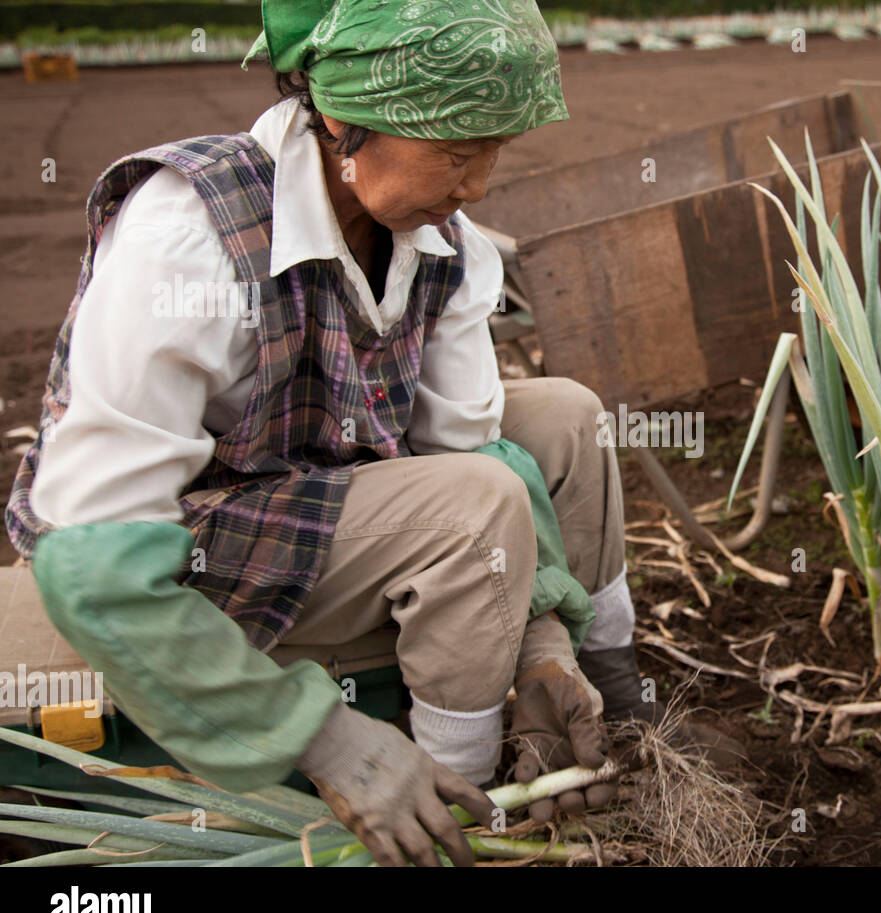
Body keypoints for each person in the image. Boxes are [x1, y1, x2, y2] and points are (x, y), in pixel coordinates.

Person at [6, 0, 659, 867]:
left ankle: (620, 710)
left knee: (564, 414)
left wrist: (542, 644)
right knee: (470, 509)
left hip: (319, 490)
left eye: (496, 151)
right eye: (457, 152)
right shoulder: (191, 234)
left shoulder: (444, 244)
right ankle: (439, 809)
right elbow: (91, 559)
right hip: (184, 550)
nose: (478, 187)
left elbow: (472, 443)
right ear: (345, 121)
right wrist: (324, 740)